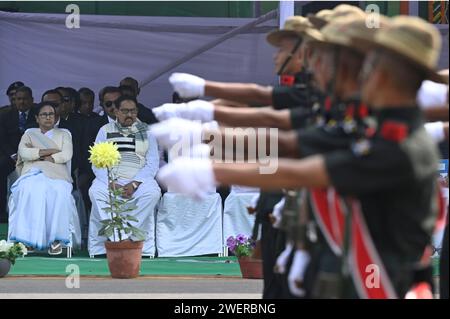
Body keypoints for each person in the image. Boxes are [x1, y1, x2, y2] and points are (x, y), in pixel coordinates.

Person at [157, 16, 444, 298]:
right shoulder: (375, 128)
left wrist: (213, 168)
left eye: (367, 66)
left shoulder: (398, 144)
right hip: (353, 264)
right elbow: (293, 144)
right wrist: (209, 137)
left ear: (384, 75)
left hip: (380, 277)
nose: (361, 75)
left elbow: (307, 170)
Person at [88, 95, 161, 256]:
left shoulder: (147, 131)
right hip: (110, 177)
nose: (130, 114)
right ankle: (119, 236)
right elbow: (96, 162)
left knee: (153, 193)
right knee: (95, 192)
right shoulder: (105, 130)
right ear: (116, 112)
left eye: (133, 111)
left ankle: (121, 235)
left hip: (139, 179)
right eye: (125, 111)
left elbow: (152, 163)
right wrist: (111, 182)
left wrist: (135, 183)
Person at [8, 102, 77, 255]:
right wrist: (48, 151)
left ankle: (56, 240)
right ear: (37, 118)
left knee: (59, 192)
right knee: (29, 189)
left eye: (51, 114)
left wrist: (45, 157)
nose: (48, 117)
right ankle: (28, 240)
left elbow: (66, 154)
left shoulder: (64, 134)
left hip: (57, 172)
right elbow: (24, 152)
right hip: (33, 171)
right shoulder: (29, 134)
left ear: (55, 117)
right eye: (44, 115)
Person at [0, 86, 37, 223]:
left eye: (25, 99)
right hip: (12, 155)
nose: (21, 102)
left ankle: (32, 211)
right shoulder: (5, 115)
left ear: (32, 100)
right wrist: (13, 155)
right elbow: (2, 139)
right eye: (18, 99)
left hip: (33, 155)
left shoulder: (38, 113)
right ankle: (2, 212)